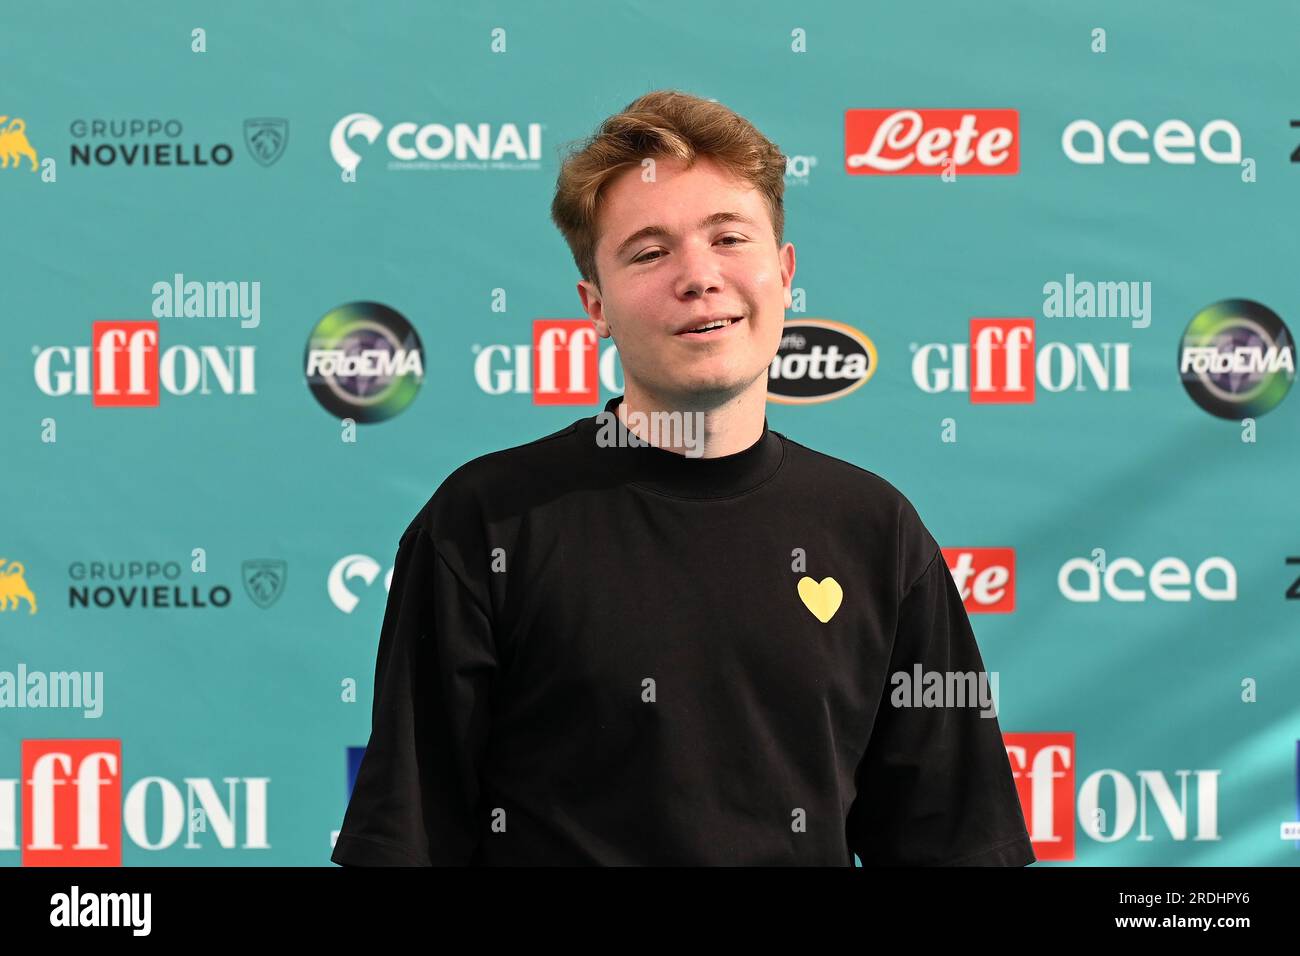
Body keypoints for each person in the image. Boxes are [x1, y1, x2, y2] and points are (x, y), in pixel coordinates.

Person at [331, 89, 1034, 866]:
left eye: (729, 238)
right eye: (649, 251)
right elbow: (406, 844)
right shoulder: (486, 523)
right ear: (593, 304)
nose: (699, 277)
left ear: (784, 270)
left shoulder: (877, 532)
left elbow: (959, 845)